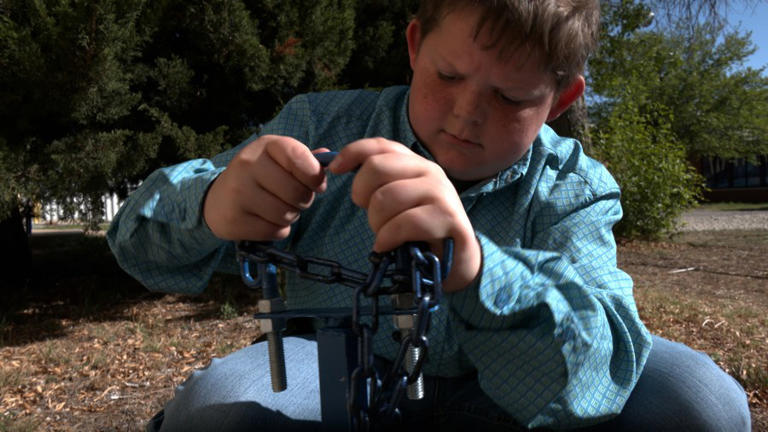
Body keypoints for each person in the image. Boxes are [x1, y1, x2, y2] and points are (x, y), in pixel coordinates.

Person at [107, 1, 751, 431]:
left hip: (502, 384)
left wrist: (479, 270)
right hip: (334, 361)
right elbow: (135, 242)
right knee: (215, 410)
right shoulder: (318, 124)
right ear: (415, 45)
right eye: (448, 74)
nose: (467, 113)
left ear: (561, 100)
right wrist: (215, 202)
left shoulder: (574, 186)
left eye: (510, 96)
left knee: (701, 401)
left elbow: (598, 361)